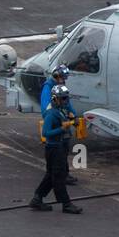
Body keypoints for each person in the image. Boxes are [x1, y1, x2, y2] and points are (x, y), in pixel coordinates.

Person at [30, 85, 82, 214]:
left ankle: (37, 198)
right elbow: (46, 133)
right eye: (63, 99)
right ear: (55, 99)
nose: (66, 101)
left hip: (60, 146)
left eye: (66, 98)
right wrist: (62, 129)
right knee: (59, 176)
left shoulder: (61, 110)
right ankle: (66, 204)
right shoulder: (51, 114)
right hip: (54, 148)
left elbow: (67, 119)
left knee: (51, 175)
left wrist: (72, 119)